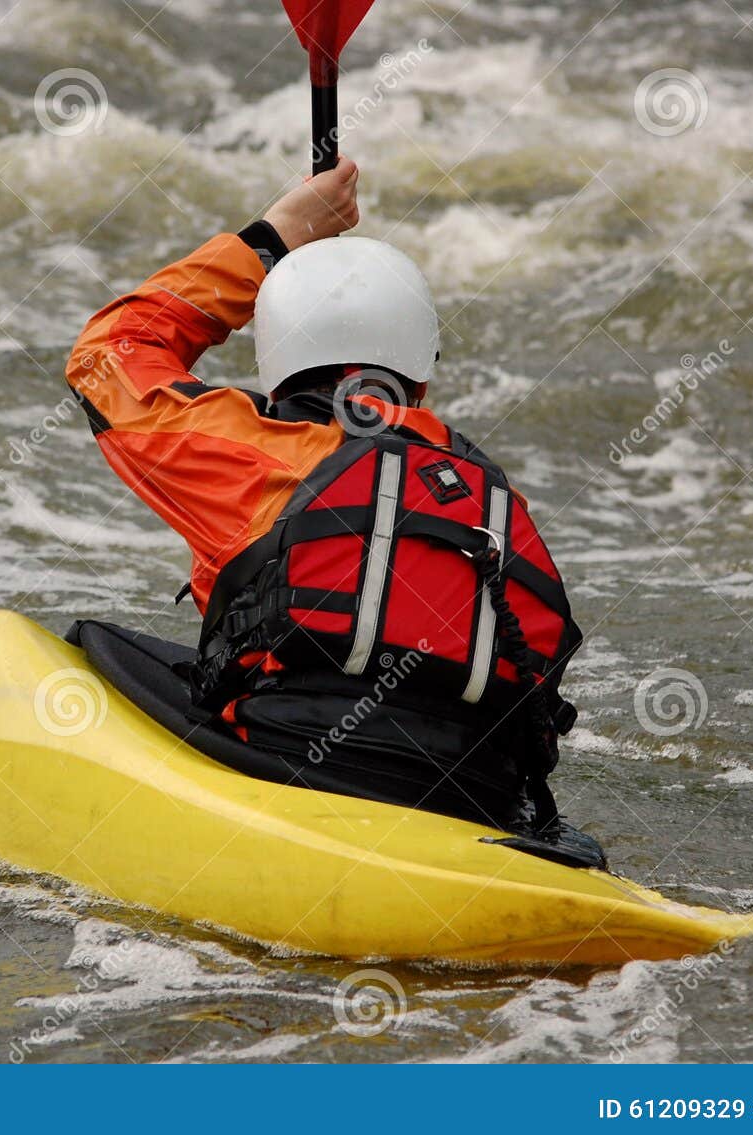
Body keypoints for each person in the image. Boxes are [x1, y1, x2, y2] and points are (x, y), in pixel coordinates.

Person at [65, 156, 588, 850]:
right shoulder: (496, 499)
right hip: (479, 802)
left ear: (277, 352)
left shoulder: (260, 453)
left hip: (298, 769)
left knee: (83, 650)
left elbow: (111, 353)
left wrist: (273, 237)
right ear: (420, 371)